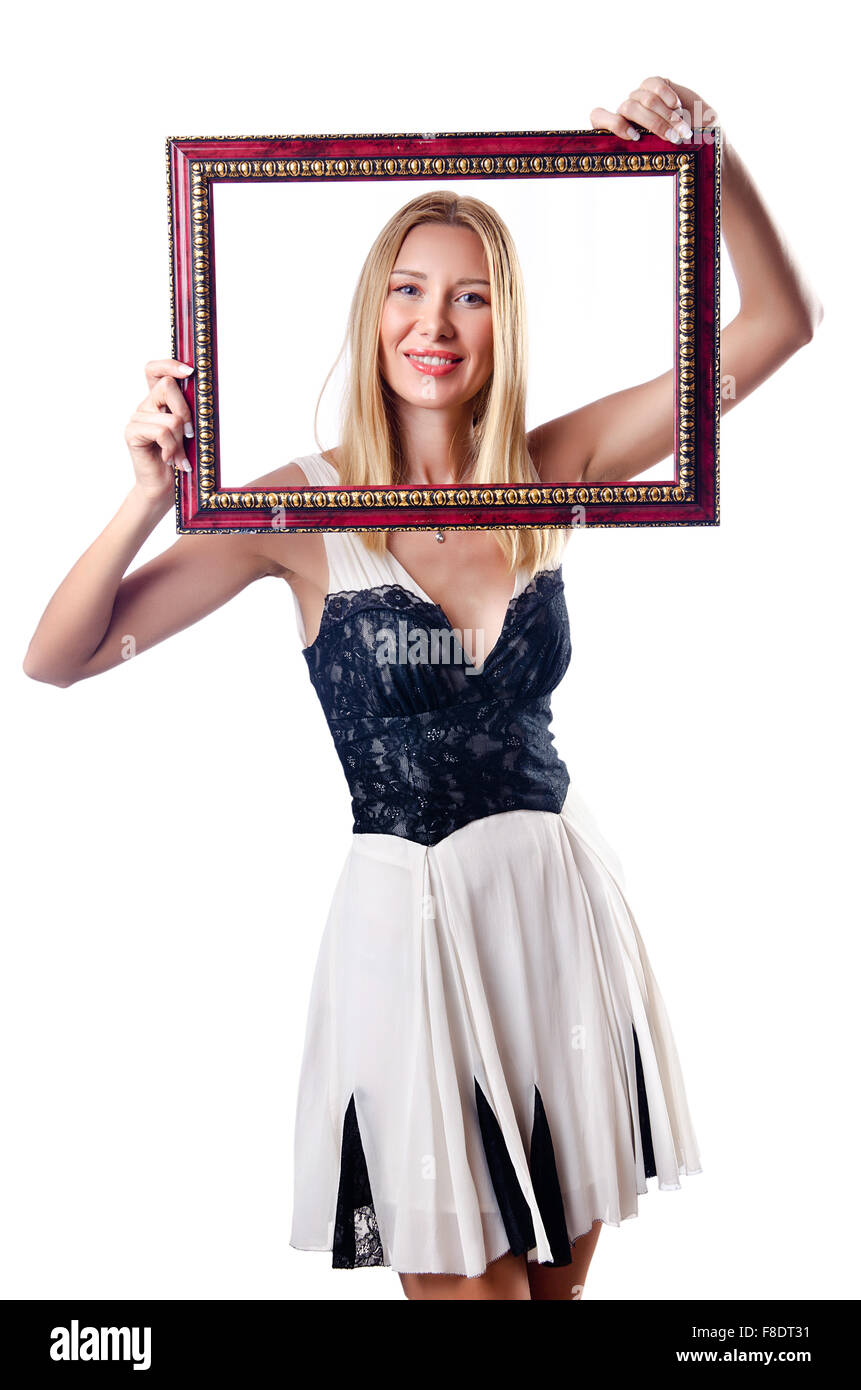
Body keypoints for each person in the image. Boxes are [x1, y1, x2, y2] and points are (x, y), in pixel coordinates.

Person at [22, 77, 823, 1301]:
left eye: (469, 295)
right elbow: (59, 656)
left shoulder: (554, 467)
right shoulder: (296, 510)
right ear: (372, 313)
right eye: (407, 290)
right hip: (410, 941)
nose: (433, 322)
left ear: (504, 321)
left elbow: (777, 326)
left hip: (555, 919)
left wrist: (710, 158)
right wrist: (146, 495)